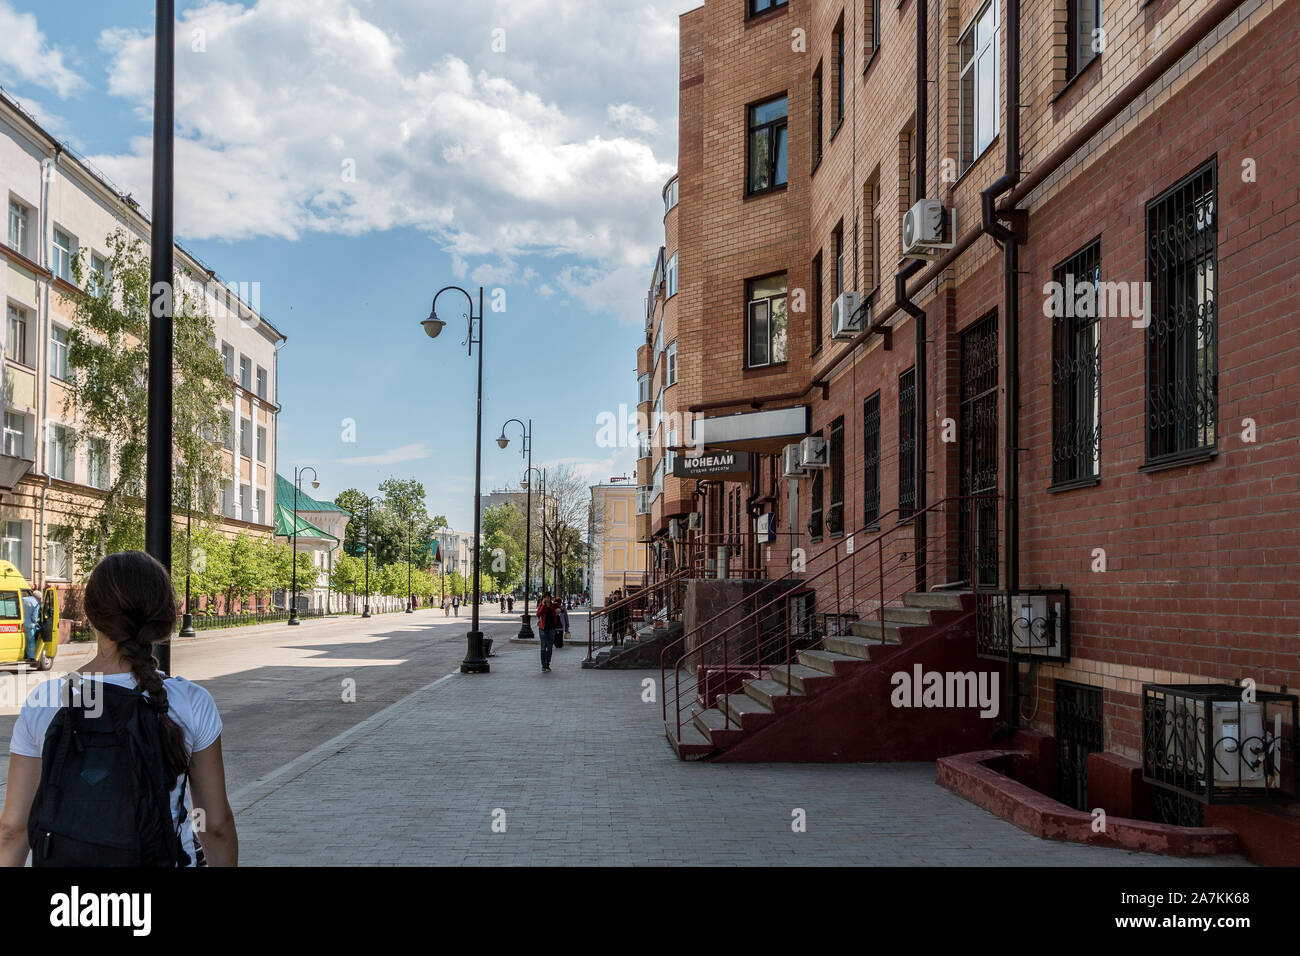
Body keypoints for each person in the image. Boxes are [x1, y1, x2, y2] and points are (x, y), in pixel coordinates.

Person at [0, 551, 237, 867]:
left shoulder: (46, 700)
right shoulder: (189, 702)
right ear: (163, 620)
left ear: (91, 615)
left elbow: (13, 830)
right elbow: (213, 824)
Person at [535, 592, 558, 672]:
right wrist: (544, 605)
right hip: (543, 628)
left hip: (552, 628)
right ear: (543, 598)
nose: (547, 599)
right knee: (543, 646)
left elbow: (561, 609)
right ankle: (543, 665)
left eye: (548, 597)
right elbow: (538, 614)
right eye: (546, 597)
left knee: (550, 647)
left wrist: (559, 610)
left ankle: (547, 664)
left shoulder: (553, 605)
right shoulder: (542, 606)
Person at [20, 589, 40, 662]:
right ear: (38, 598)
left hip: (21, 623)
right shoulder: (36, 604)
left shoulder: (23, 599)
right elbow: (34, 618)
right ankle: (31, 657)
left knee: (23, 640)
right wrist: (36, 623)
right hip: (29, 625)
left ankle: (23, 654)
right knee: (30, 641)